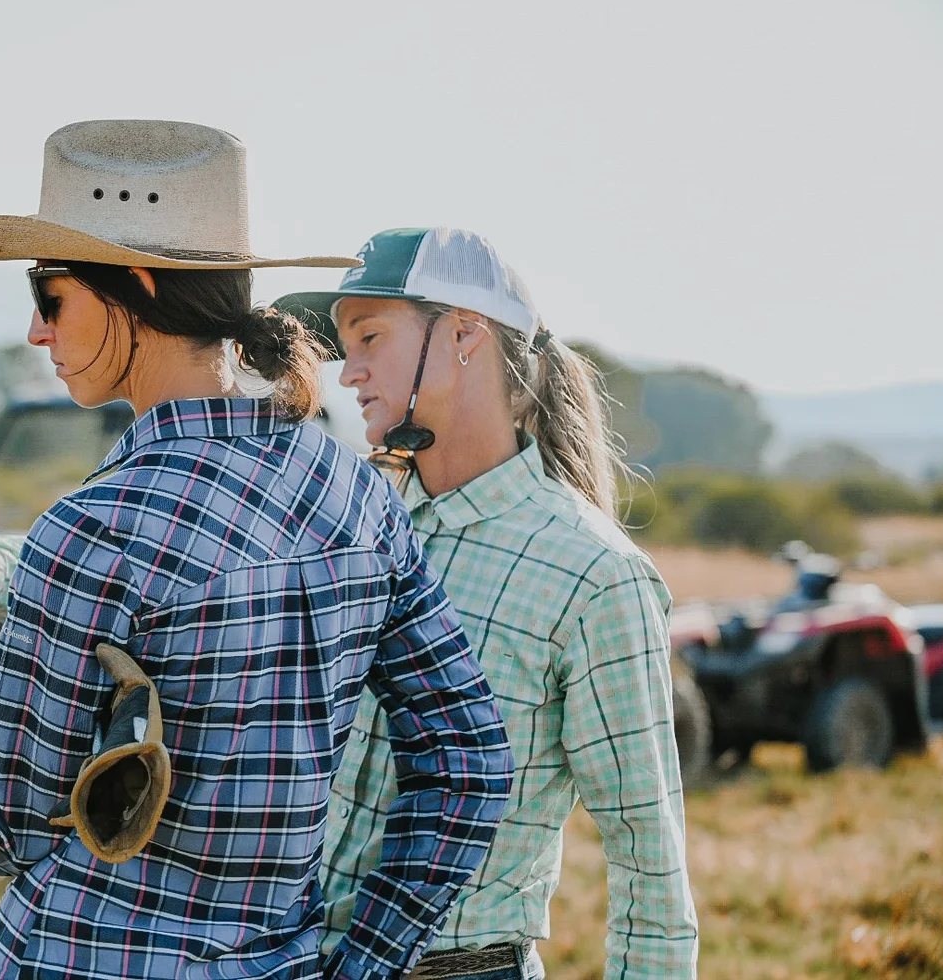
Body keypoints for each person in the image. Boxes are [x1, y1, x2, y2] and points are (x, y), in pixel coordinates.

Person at [0, 120, 515, 980]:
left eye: (48, 296)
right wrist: (365, 966)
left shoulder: (93, 527)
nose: (35, 332)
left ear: (132, 289)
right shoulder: (359, 494)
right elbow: (468, 764)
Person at [275, 227, 699, 979]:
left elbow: (647, 857)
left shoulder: (595, 575)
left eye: (369, 337)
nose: (349, 373)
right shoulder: (357, 527)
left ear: (464, 334)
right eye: (346, 347)